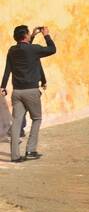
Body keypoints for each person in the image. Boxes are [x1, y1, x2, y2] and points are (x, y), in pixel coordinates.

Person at [1, 24, 56, 162]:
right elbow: (52, 49)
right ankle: (30, 150)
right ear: (25, 35)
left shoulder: (12, 50)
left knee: (16, 123)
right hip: (31, 91)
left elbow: (8, 69)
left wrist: (2, 86)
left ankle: (15, 156)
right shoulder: (33, 49)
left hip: (17, 92)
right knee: (37, 119)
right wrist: (46, 34)